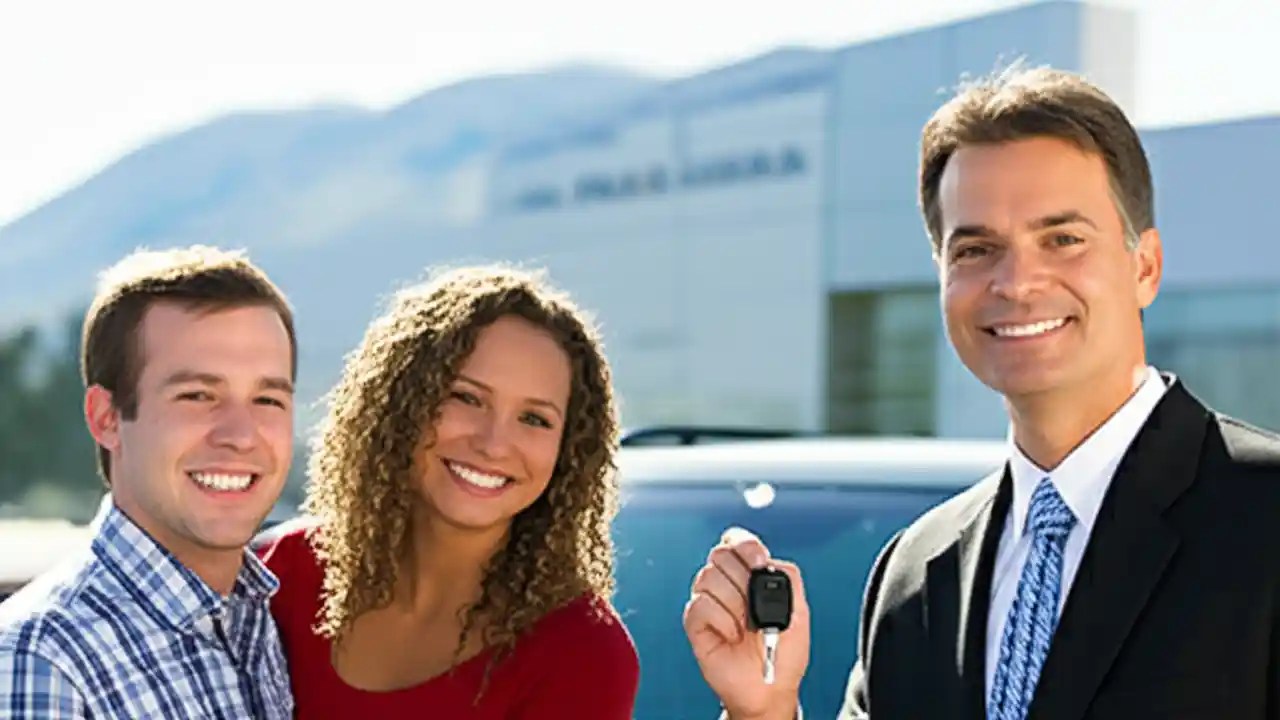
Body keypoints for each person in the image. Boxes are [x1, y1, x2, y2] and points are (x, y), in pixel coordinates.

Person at [684, 64, 1280, 719]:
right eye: (976, 249)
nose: (1017, 282)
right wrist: (763, 710)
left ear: (1144, 267)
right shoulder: (912, 575)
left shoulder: (1263, 516)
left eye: (1062, 240)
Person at [257, 264, 639, 718]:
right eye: (467, 398)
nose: (493, 443)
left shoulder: (581, 651)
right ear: (403, 401)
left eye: (534, 419)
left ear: (568, 450)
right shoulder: (283, 573)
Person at [0, 246, 297, 718]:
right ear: (107, 418)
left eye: (267, 399)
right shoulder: (42, 664)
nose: (241, 436)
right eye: (198, 395)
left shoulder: (281, 621)